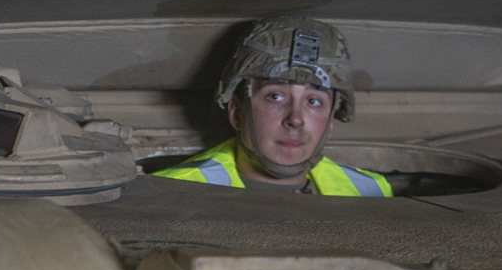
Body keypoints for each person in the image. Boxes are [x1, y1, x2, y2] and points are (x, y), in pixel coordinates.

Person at [153, 18, 392, 196]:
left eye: (313, 101)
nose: (295, 119)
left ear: (330, 123)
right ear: (236, 112)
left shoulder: (370, 191)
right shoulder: (169, 191)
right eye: (275, 96)